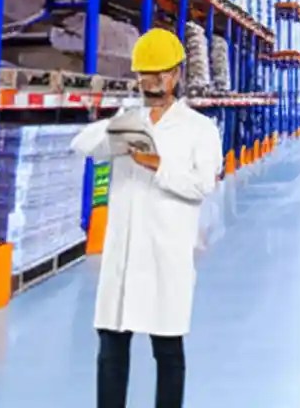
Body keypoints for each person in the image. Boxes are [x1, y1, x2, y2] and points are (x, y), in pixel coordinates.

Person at [71, 27, 223, 408]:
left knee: (168, 350)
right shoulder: (128, 119)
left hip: (164, 254)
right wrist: (117, 130)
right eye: (145, 75)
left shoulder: (199, 129)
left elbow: (202, 184)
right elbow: (82, 146)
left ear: (176, 74)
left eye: (160, 75)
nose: (152, 83)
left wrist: (158, 163)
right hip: (122, 256)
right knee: (111, 349)